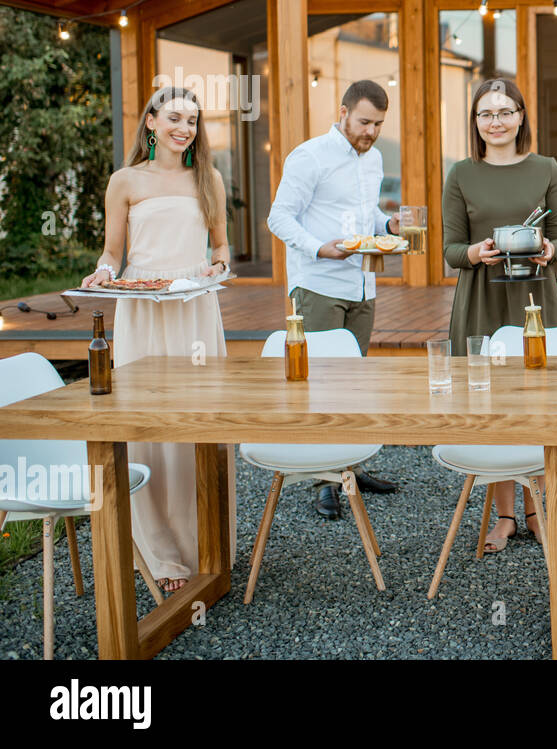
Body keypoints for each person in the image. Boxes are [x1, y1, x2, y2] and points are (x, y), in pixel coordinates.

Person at [81, 86, 233, 595]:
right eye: (173, 117)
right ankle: (161, 552)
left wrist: (218, 266)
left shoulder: (207, 177)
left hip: (194, 307)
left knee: (197, 421)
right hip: (142, 311)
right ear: (150, 122)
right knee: (145, 425)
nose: (183, 128)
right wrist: (103, 274)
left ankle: (210, 545)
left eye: (191, 120)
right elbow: (111, 253)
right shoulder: (124, 181)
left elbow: (220, 246)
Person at [442, 77, 557, 552]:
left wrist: (548, 248)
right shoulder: (460, 173)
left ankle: (537, 510)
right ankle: (504, 516)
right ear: (475, 122)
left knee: (539, 402)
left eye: (504, 111)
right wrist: (475, 252)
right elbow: (449, 250)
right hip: (482, 297)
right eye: (485, 114)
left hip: (535, 296)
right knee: (490, 407)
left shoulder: (546, 168)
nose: (495, 121)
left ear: (521, 116)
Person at [266, 79, 401, 519]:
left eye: (379, 124)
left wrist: (388, 226)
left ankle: (350, 467)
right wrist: (320, 247)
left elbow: (367, 217)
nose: (371, 132)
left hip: (362, 283)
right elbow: (278, 217)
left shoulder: (375, 158)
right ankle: (325, 480)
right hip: (318, 283)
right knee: (320, 382)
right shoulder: (310, 156)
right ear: (342, 112)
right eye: (364, 122)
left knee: (352, 381)